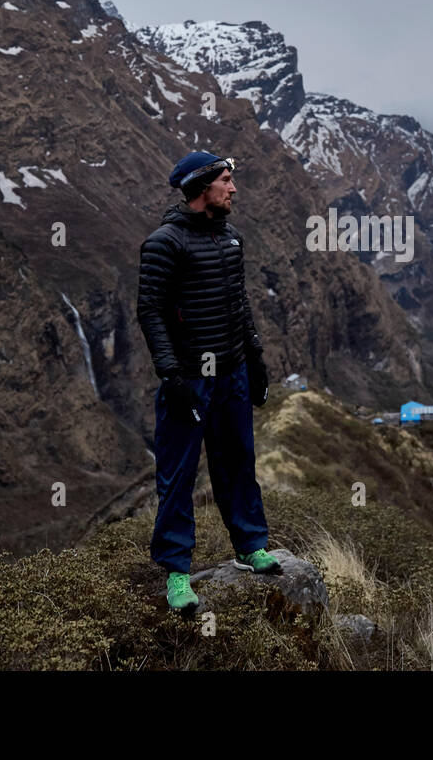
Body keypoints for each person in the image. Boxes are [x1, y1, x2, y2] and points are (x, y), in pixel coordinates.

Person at [135, 151, 282, 613]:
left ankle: (250, 547)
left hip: (232, 372)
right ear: (203, 189)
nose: (234, 189)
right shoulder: (164, 242)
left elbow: (240, 305)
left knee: (238, 460)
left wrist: (255, 360)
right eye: (226, 181)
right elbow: (150, 312)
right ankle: (178, 574)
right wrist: (171, 375)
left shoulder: (231, 238)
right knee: (178, 475)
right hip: (190, 378)